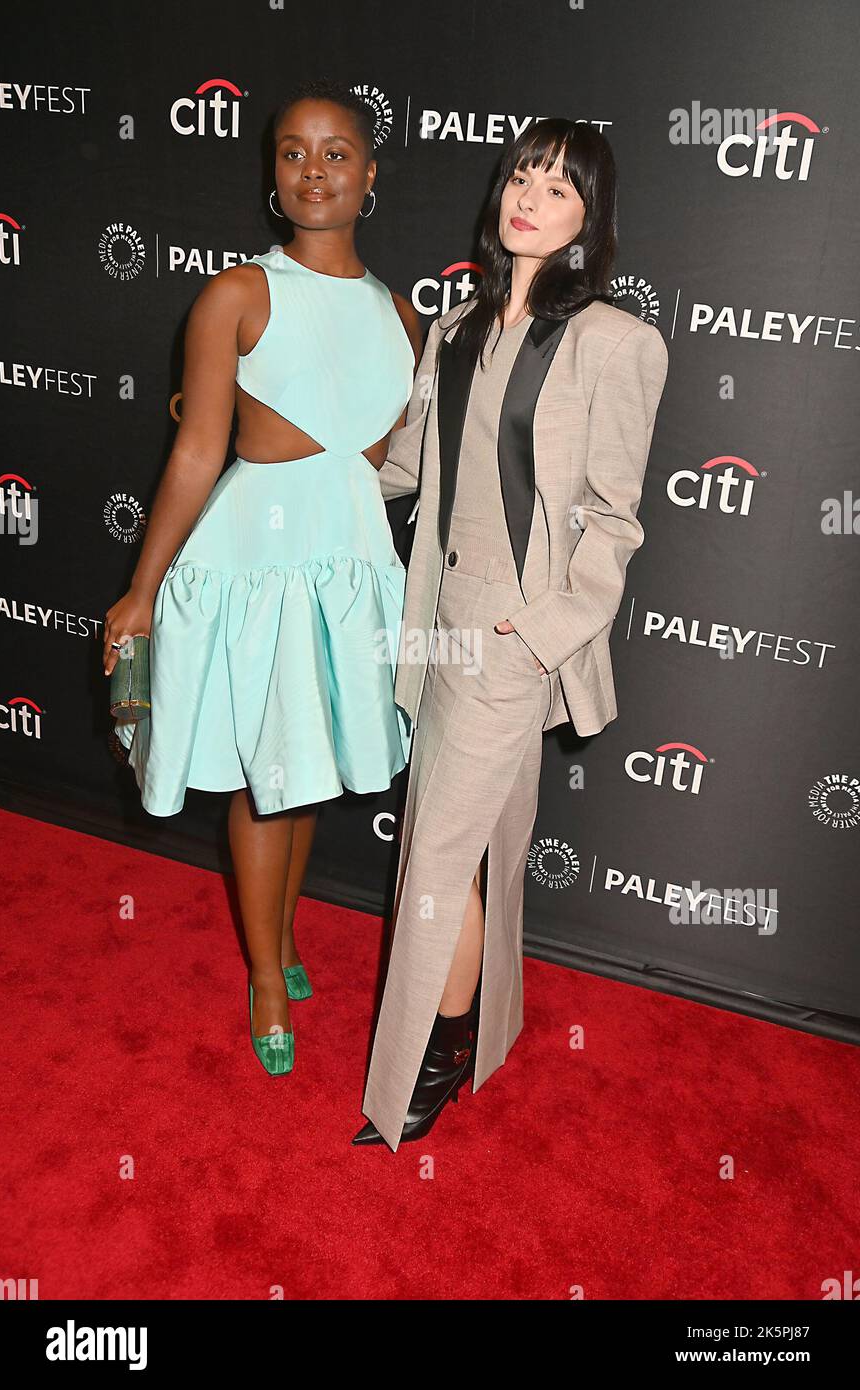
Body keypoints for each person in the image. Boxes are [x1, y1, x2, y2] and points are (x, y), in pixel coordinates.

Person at [351, 117, 670, 1150]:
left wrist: (534, 637)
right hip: (437, 618)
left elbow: (615, 521)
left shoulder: (615, 342)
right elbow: (405, 470)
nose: (531, 195)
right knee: (483, 840)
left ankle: (426, 1060)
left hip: (512, 632)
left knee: (433, 858)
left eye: (560, 187)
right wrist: (292, 468)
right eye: (523, 174)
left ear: (588, 222)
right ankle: (488, 1028)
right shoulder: (455, 328)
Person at [103, 79, 422, 1077]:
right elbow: (197, 451)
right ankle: (265, 975)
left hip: (349, 566)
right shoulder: (238, 294)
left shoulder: (401, 315)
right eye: (292, 152)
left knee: (310, 765)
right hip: (258, 562)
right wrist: (141, 589)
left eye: (336, 153)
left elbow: (380, 465)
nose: (313, 170)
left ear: (370, 174)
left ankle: (280, 935)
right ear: (271, 174)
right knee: (270, 770)